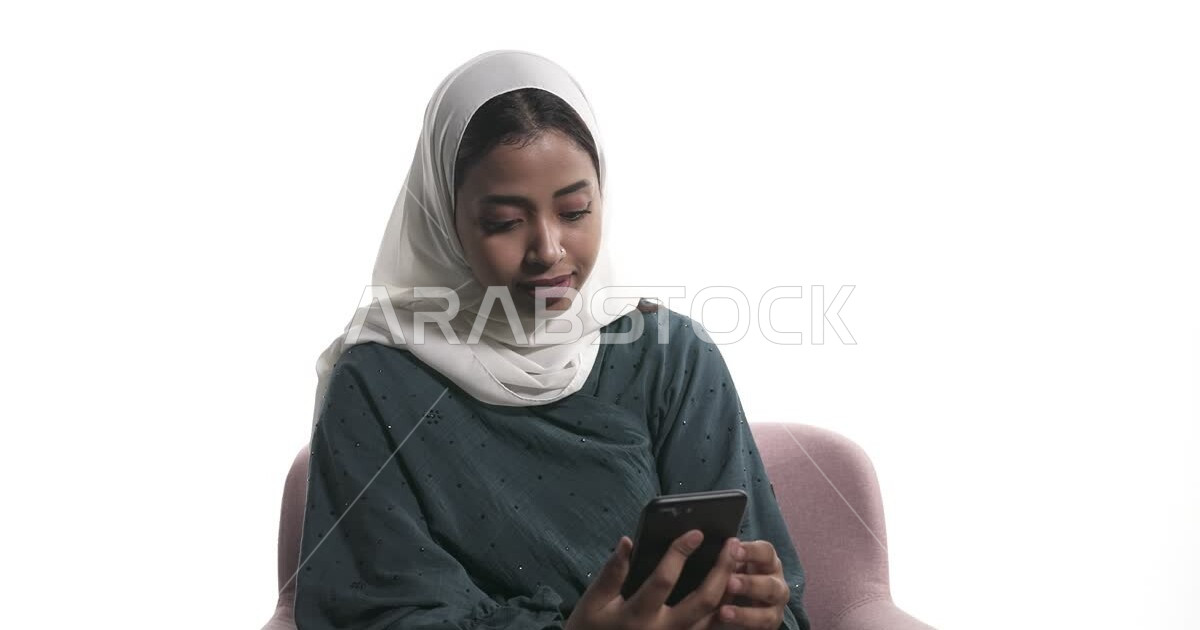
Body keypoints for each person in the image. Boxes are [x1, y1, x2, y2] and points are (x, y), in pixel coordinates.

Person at [293, 50, 812, 630]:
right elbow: (379, 615)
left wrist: (759, 609)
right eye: (504, 222)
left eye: (575, 210)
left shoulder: (669, 355)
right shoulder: (377, 381)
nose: (548, 250)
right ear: (444, 219)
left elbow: (776, 598)